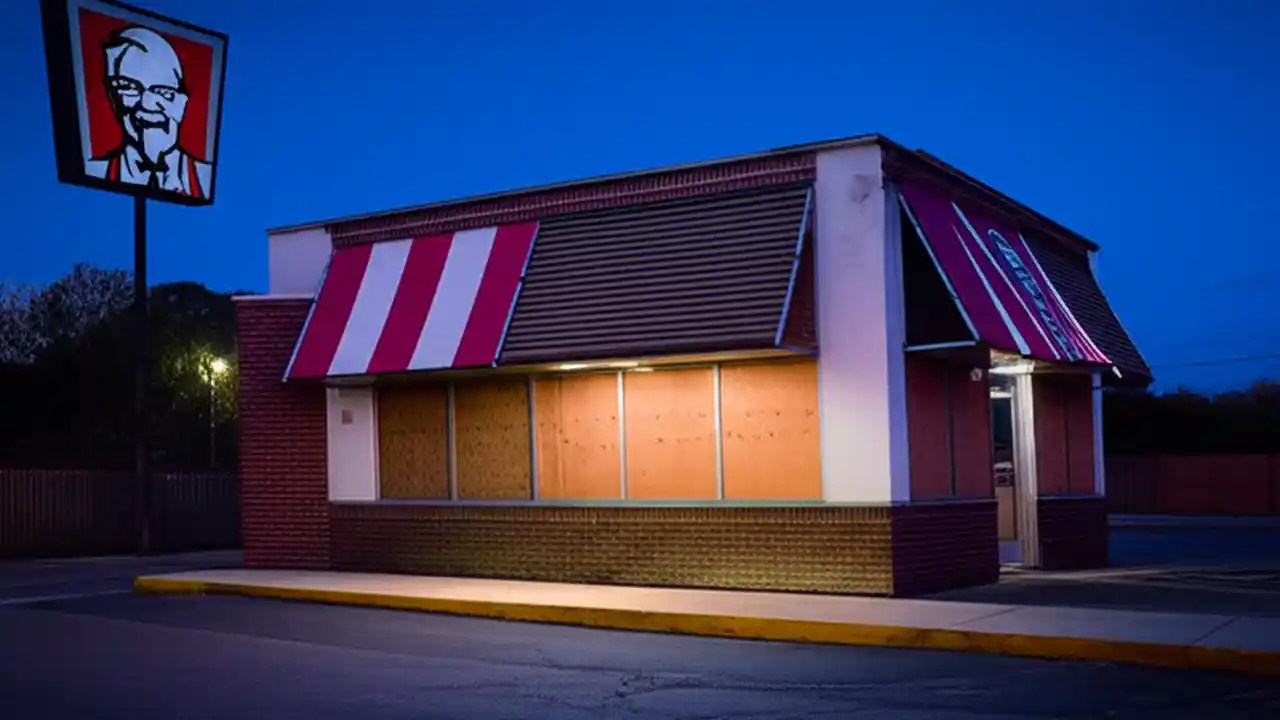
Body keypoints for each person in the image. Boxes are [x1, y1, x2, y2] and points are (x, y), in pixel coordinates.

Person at [85, 26, 211, 198]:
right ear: (113, 98)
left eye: (164, 91)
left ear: (182, 103)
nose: (147, 104)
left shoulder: (205, 178)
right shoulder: (95, 172)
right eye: (129, 87)